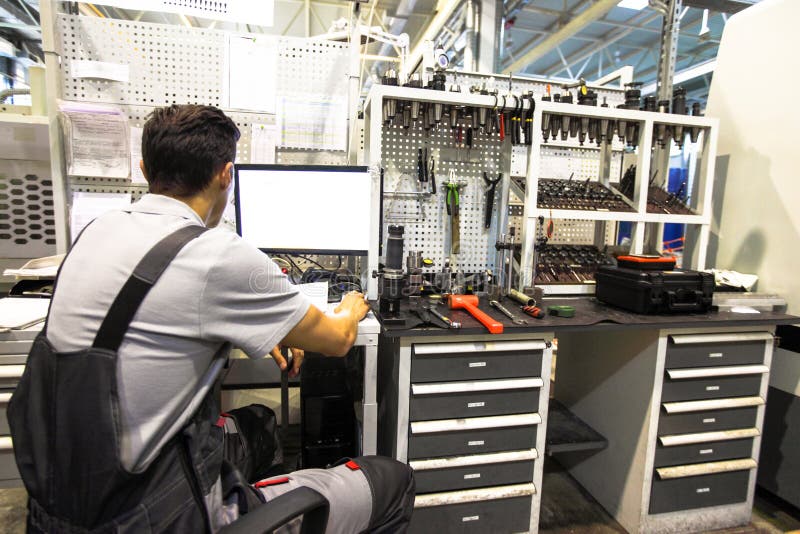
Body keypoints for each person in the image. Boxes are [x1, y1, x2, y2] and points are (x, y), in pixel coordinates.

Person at [8, 104, 414, 533]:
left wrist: (265, 324)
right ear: (226, 175)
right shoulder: (218, 255)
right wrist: (351, 306)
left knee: (262, 422)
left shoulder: (96, 233)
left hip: (63, 509)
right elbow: (336, 341)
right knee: (393, 482)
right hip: (156, 517)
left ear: (145, 168)